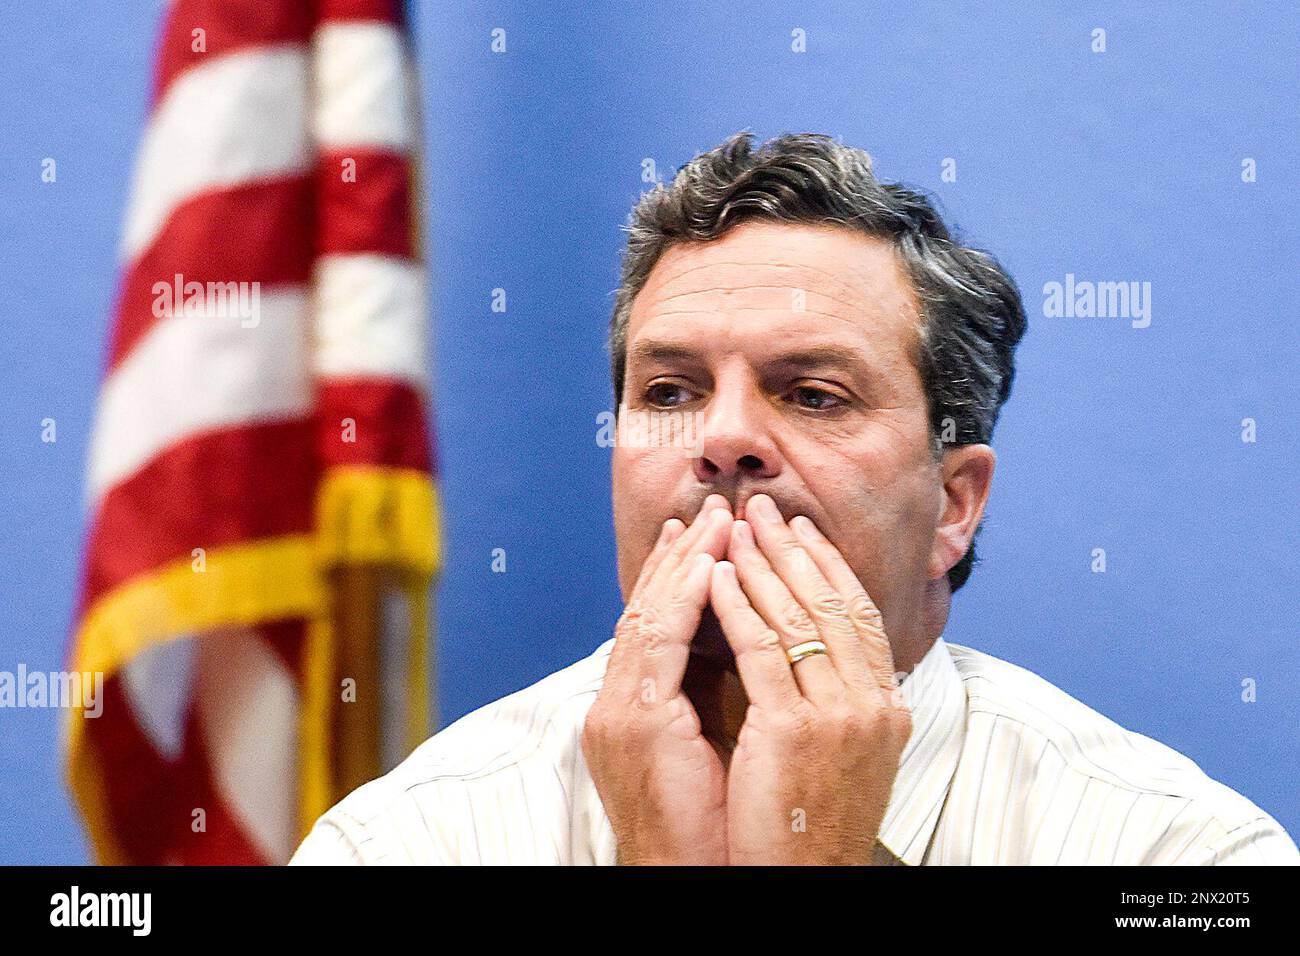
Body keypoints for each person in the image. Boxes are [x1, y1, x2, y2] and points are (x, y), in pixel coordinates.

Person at [290, 131, 1297, 865]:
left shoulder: (1177, 855)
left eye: (813, 393)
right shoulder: (406, 838)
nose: (722, 437)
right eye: (669, 390)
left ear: (953, 504)